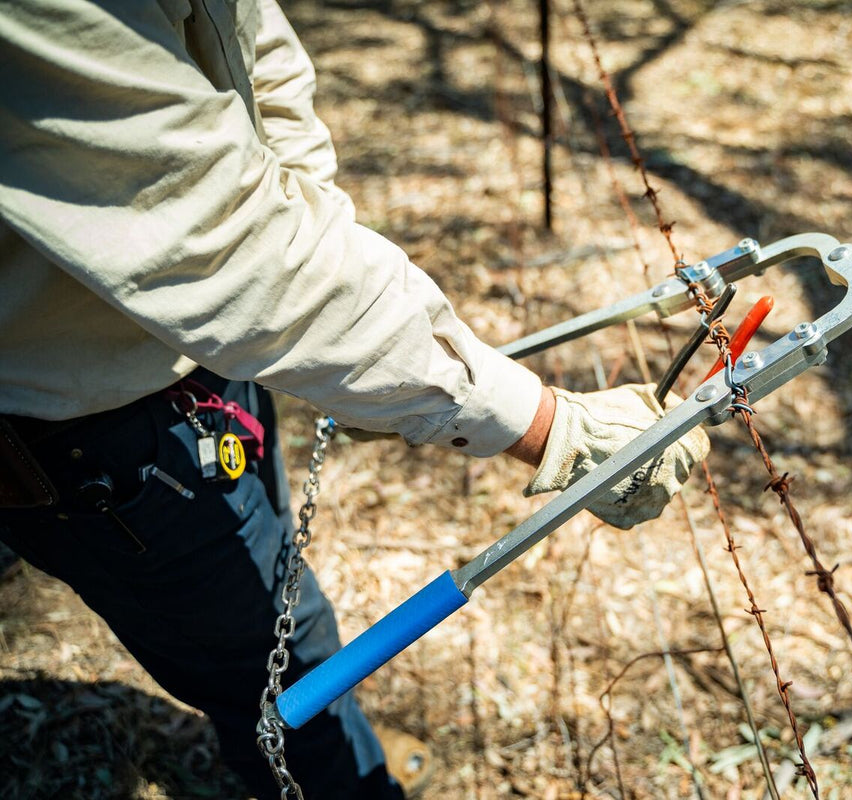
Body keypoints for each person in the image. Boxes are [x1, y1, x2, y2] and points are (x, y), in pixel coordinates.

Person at [0, 0, 709, 797]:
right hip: (93, 431)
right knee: (271, 665)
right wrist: (551, 428)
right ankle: (346, 780)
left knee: (280, 596)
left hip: (192, 359)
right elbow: (224, 240)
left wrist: (342, 331)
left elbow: (253, 54)